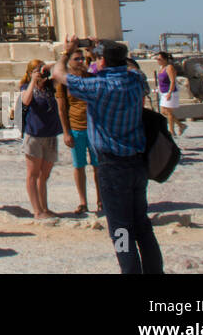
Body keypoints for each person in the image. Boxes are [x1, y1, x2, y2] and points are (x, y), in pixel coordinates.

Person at [51, 38, 164, 275]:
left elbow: (59, 73)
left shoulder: (98, 88)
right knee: (142, 225)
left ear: (101, 61)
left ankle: (129, 270)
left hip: (112, 167)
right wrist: (105, 51)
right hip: (137, 163)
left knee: (120, 230)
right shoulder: (135, 81)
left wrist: (68, 51)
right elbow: (133, 69)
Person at [56, 46, 102, 215]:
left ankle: (101, 200)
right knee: (79, 166)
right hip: (76, 129)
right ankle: (83, 202)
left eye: (82, 58)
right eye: (77, 59)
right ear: (69, 62)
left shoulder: (91, 78)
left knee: (98, 167)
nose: (81, 61)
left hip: (94, 128)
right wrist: (66, 132)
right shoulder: (64, 83)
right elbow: (62, 109)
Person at [19, 58, 62, 220]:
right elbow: (25, 101)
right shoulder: (25, 87)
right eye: (37, 70)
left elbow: (60, 69)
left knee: (44, 175)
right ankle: (37, 211)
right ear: (30, 73)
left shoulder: (51, 86)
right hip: (34, 135)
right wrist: (33, 81)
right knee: (33, 174)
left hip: (51, 134)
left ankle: (45, 208)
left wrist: (47, 66)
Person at [154, 51, 186, 137]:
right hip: (163, 92)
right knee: (164, 111)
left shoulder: (169, 68)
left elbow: (172, 81)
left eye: (159, 59)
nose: (158, 60)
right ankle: (181, 125)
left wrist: (170, 92)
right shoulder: (161, 68)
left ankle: (171, 131)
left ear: (164, 59)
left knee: (169, 112)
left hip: (170, 92)